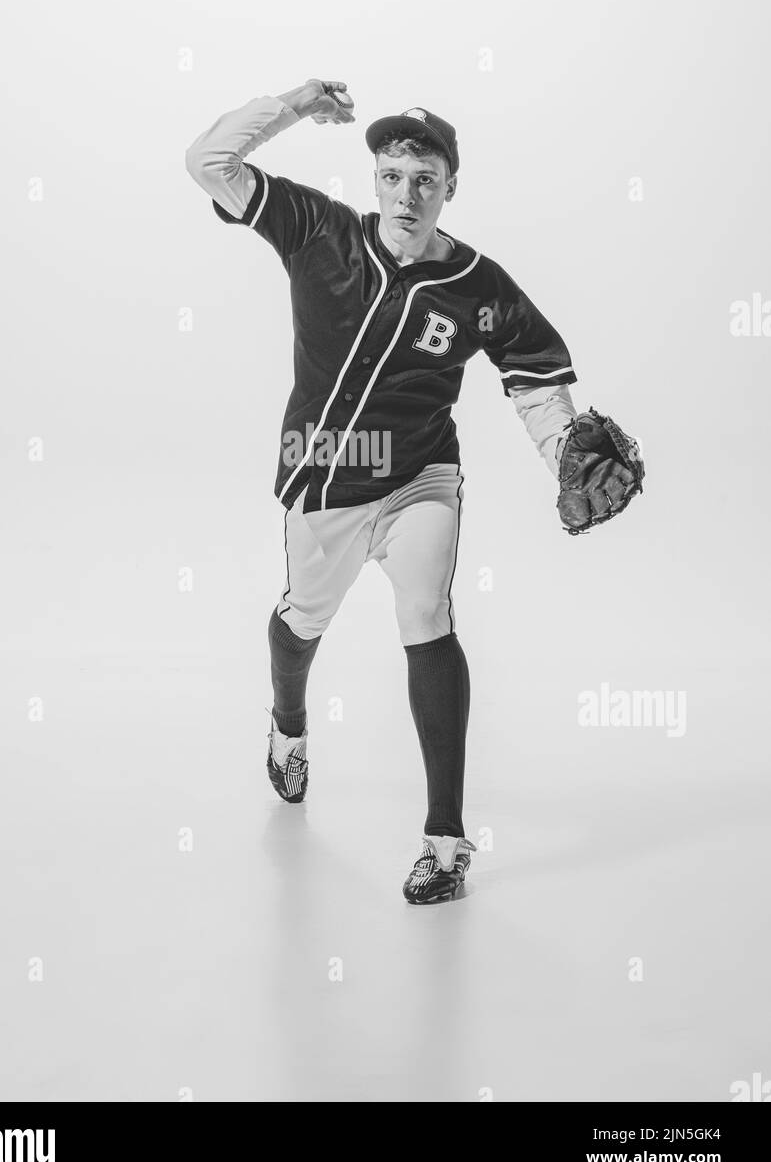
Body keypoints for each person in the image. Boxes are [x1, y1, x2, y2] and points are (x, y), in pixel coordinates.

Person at [185, 78, 579, 903]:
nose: (408, 193)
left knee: (427, 617)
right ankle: (288, 725)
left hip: (419, 480)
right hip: (324, 477)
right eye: (394, 175)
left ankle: (444, 842)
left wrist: (565, 453)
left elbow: (535, 375)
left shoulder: (479, 285)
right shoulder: (316, 230)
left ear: (449, 189)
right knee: (300, 622)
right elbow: (208, 159)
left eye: (425, 179)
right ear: (374, 180)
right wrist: (294, 105)